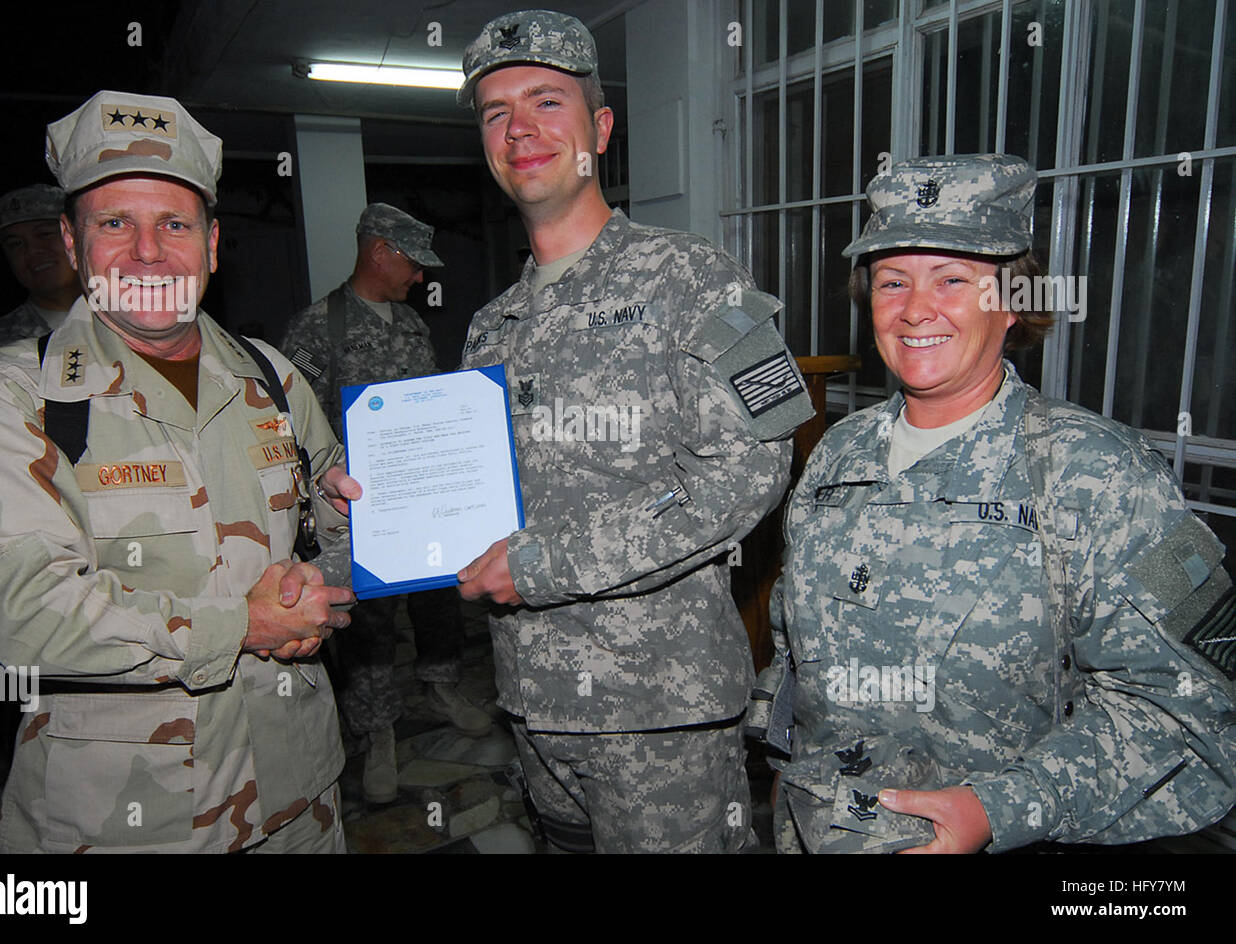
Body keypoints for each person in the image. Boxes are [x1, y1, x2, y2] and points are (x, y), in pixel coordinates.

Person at [760, 153, 1236, 853]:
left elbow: (1190, 706)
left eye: (952, 279)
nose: (915, 309)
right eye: (893, 281)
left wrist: (1003, 807)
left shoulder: (1102, 473)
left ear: (1011, 301)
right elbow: (791, 644)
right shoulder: (839, 452)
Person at [0, 89, 364, 853]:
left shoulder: (271, 376)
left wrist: (341, 528)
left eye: (174, 223)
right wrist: (247, 625)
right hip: (129, 822)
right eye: (114, 224)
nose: (146, 251)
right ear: (73, 244)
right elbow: (27, 614)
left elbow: (323, 537)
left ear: (212, 243)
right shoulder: (4, 400)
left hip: (300, 799)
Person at [454, 10, 813, 852]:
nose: (521, 129)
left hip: (659, 718)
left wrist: (546, 562)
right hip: (532, 702)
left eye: (547, 101)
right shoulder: (490, 326)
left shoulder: (697, 279)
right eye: (497, 112)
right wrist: (376, 507)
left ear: (601, 129)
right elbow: (476, 496)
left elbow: (756, 465)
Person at [282, 203, 490, 805]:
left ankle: (441, 684)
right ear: (380, 251)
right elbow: (297, 425)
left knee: (439, 597)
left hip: (425, 495)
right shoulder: (316, 328)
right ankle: (377, 729)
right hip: (360, 506)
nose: (421, 278)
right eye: (413, 263)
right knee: (370, 620)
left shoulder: (410, 325)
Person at [0, 184, 83, 369]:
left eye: (45, 234)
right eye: (16, 244)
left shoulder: (127, 318)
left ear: (74, 235)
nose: (32, 251)